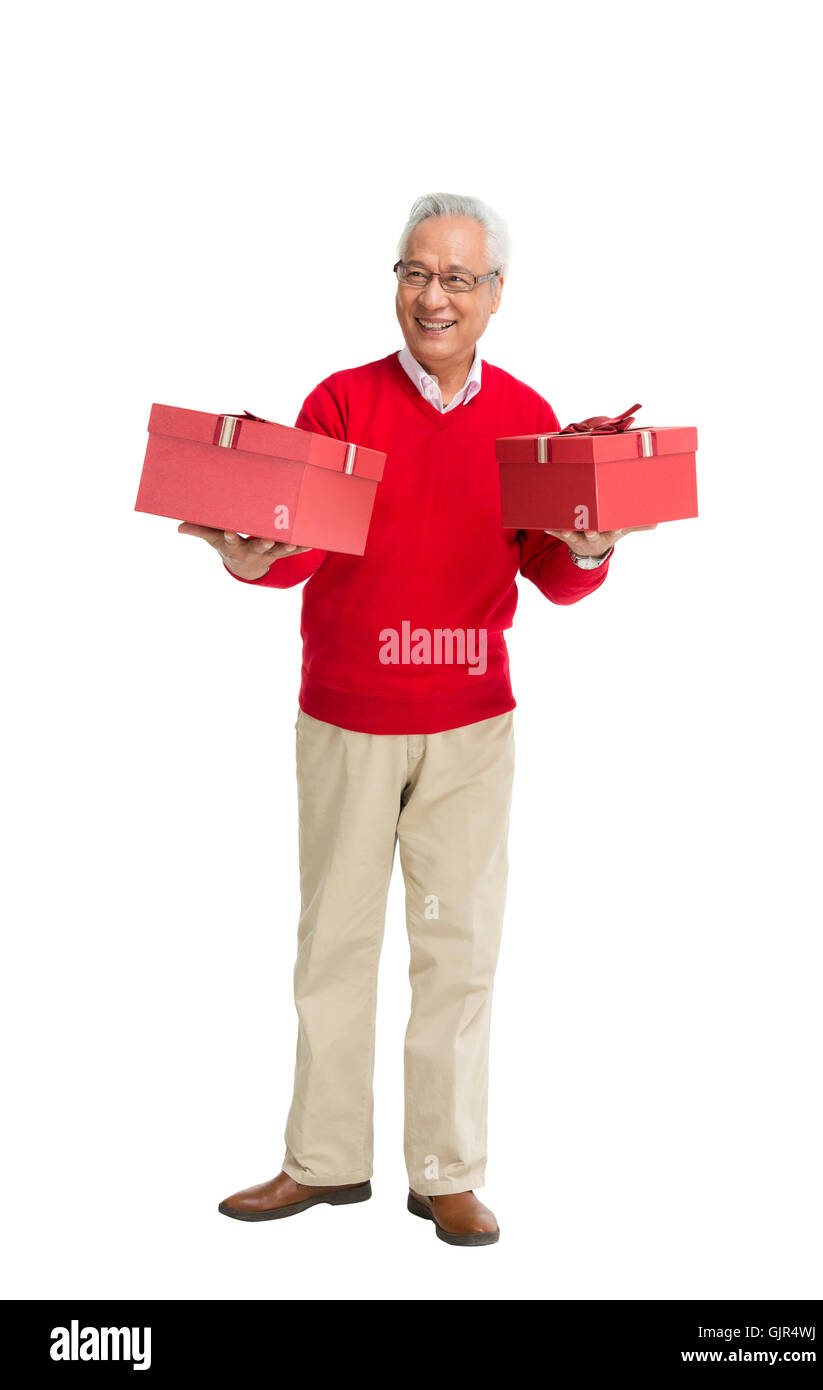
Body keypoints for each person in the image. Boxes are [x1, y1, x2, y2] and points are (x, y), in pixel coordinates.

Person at [180, 192, 651, 1247]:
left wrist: (590, 545)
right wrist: (248, 553)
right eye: (413, 273)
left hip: (470, 727)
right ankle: (322, 1163)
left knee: (458, 949)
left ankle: (444, 1170)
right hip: (347, 715)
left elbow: (547, 574)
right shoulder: (340, 402)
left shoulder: (524, 416)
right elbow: (304, 543)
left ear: (493, 296)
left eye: (454, 278)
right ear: (396, 282)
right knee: (332, 946)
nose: (429, 296)